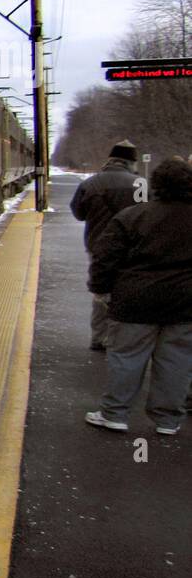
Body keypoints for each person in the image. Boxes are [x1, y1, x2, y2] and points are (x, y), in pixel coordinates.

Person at [84, 157, 192, 435]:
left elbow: (105, 257)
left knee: (127, 357)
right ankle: (167, 420)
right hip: (185, 303)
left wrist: (102, 289)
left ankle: (115, 414)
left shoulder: (132, 216)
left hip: (135, 300)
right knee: (177, 361)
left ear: (156, 185)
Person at [70, 140, 141, 349]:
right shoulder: (140, 184)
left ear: (111, 159)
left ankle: (99, 338)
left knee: (101, 292)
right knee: (128, 290)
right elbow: (147, 211)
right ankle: (123, 336)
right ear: (131, 162)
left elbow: (78, 213)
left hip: (98, 246)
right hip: (132, 247)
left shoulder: (90, 183)